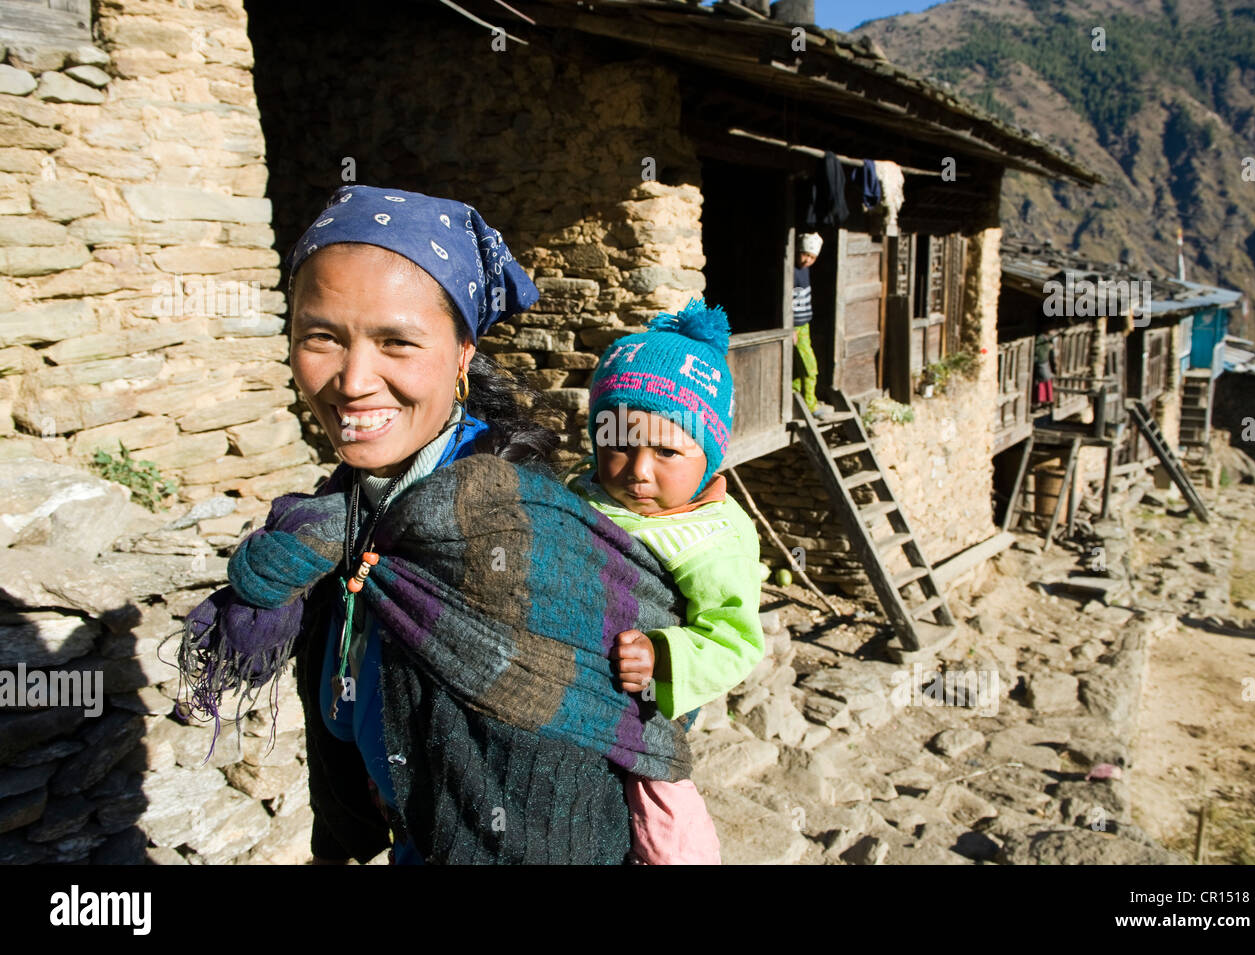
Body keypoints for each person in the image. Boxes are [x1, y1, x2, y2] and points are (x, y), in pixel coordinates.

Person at [180, 186, 693, 864]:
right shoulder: (342, 521)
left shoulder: (525, 537)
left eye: (396, 341)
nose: (353, 380)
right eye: (322, 337)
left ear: (460, 356)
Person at [570, 298, 766, 863]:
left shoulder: (712, 538)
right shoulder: (583, 491)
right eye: (618, 445)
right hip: (567, 690)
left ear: (706, 456)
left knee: (661, 821)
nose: (637, 470)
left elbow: (734, 639)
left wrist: (661, 654)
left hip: (647, 713)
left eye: (665, 450)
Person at [793, 232, 824, 415]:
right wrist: (791, 328)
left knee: (800, 364)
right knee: (809, 365)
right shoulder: (793, 272)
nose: (807, 260)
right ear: (798, 251)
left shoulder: (805, 270)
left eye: (812, 257)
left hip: (805, 325)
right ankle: (810, 404)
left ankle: (797, 395)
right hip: (796, 327)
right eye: (805, 255)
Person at [1033, 331, 1057, 410]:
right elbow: (1039, 351)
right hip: (1041, 362)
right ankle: (1039, 401)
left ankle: (1044, 401)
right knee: (1042, 381)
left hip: (1044, 362)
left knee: (1045, 381)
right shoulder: (1040, 339)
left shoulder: (1047, 338)